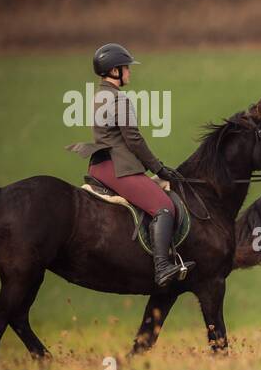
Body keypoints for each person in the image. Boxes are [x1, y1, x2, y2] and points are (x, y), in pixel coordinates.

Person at [67, 43, 186, 284]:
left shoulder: (99, 95)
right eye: (126, 68)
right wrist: (159, 168)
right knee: (164, 207)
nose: (129, 72)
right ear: (114, 71)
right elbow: (134, 140)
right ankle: (162, 267)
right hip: (118, 166)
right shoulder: (119, 99)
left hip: (99, 165)